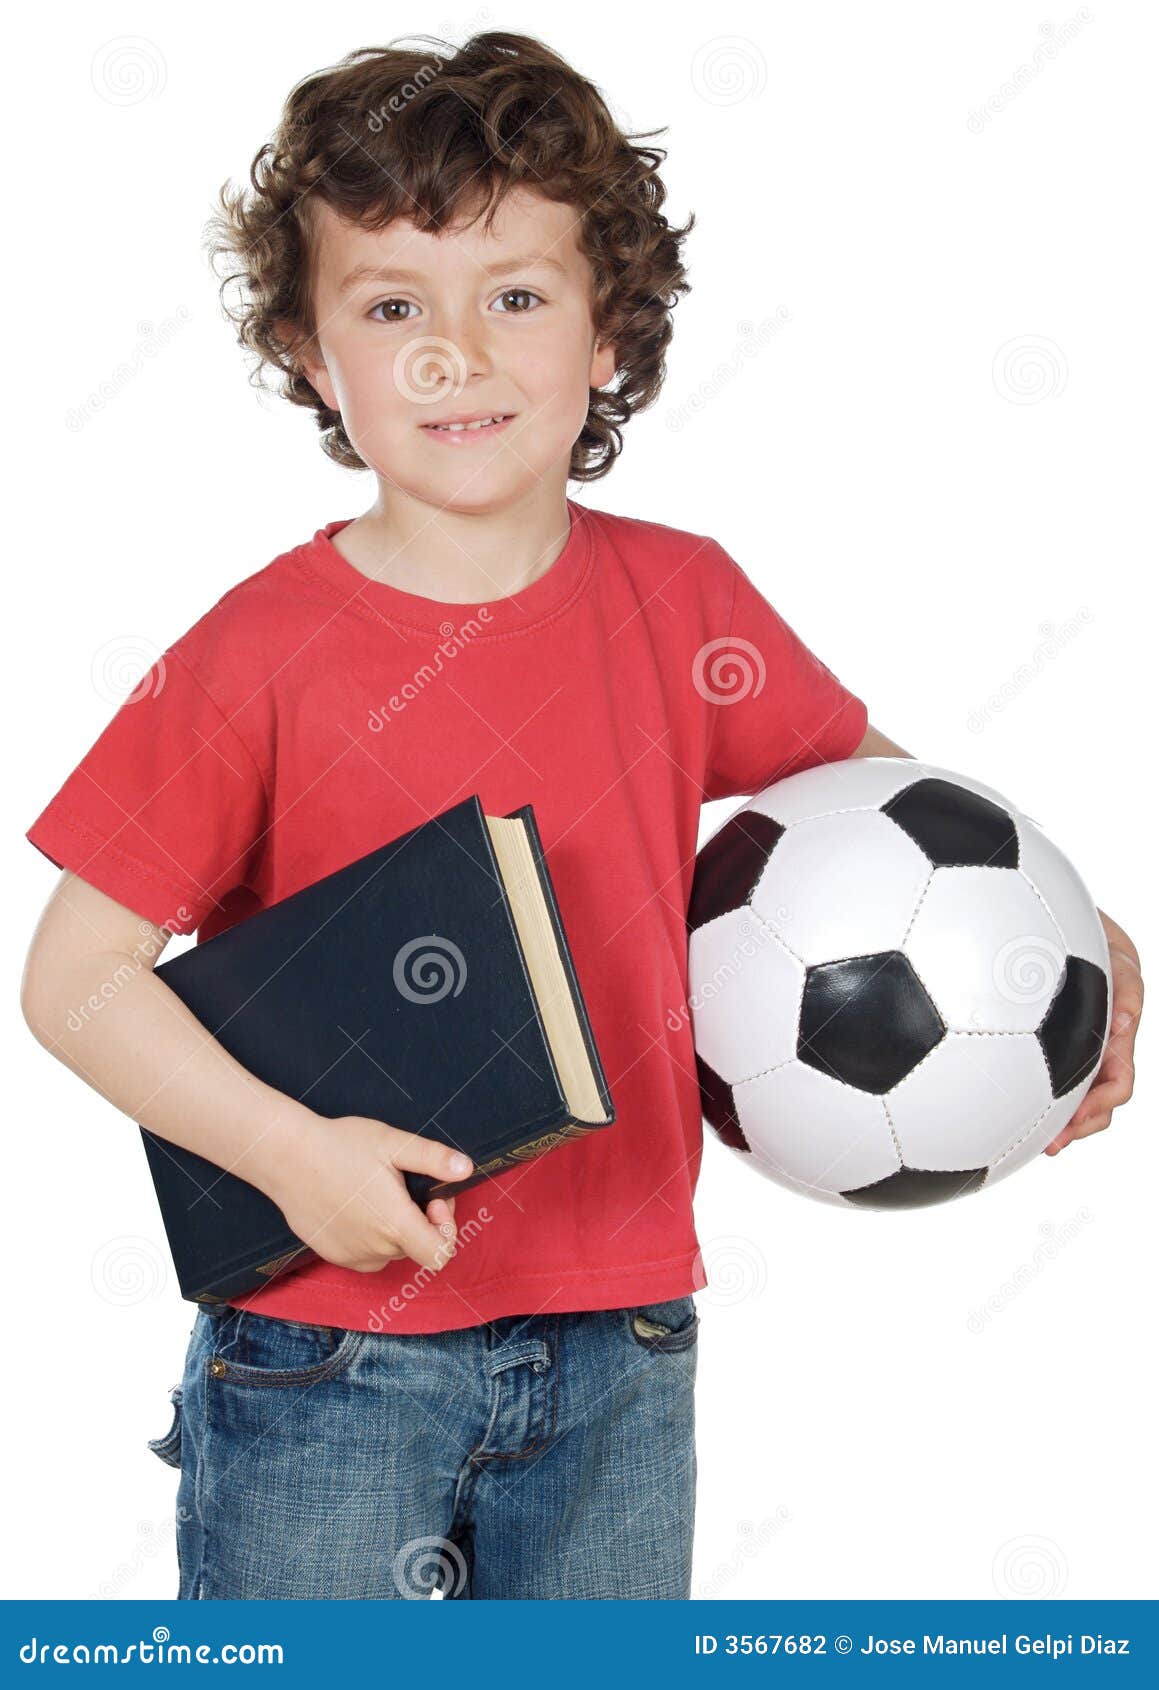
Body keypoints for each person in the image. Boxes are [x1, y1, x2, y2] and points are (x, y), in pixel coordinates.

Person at [19, 31, 1142, 1601]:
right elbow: (72, 977)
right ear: (310, 351)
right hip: (327, 1351)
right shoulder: (253, 653)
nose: (454, 355)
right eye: (392, 307)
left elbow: (901, 825)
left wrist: (1064, 952)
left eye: (516, 298)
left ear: (610, 327)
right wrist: (292, 1155)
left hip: (625, 1342)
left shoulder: (684, 600)